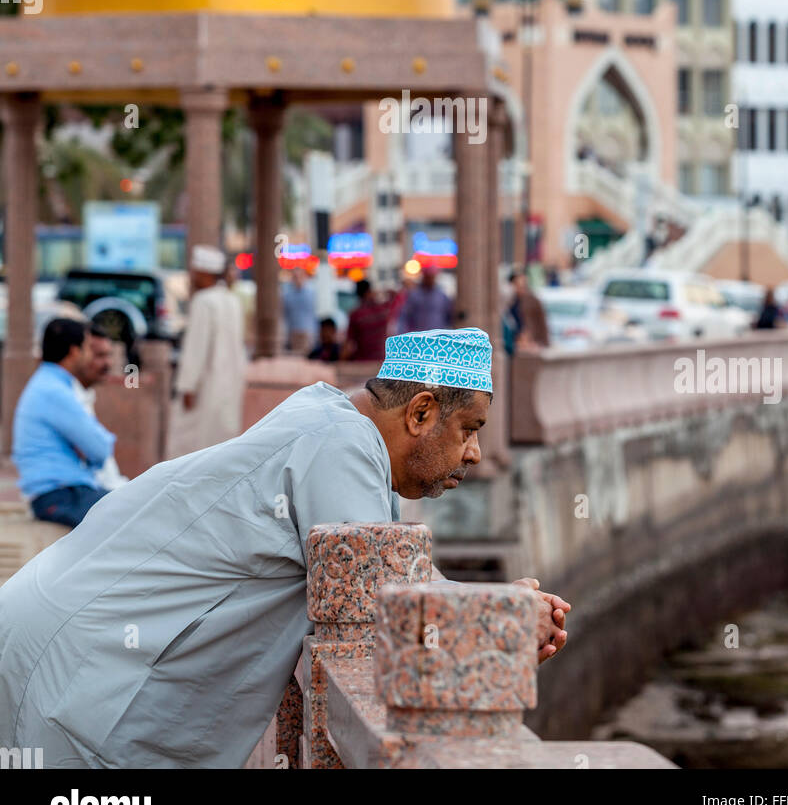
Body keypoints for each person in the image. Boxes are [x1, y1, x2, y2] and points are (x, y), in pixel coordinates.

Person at [0, 327, 570, 769]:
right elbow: (383, 601)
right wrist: (500, 620)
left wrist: (490, 602)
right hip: (77, 660)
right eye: (469, 428)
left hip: (60, 626)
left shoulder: (330, 420)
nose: (472, 453)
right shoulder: (340, 444)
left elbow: (378, 562)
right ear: (420, 412)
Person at [12, 319, 116, 528]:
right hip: (61, 495)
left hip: (65, 492)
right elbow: (100, 448)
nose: (89, 356)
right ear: (74, 352)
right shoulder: (54, 391)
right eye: (87, 348)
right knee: (136, 516)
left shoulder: (49, 384)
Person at [176, 244, 247, 447]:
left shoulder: (203, 301)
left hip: (206, 388)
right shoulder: (233, 300)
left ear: (204, 273)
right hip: (230, 386)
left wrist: (187, 386)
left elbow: (196, 350)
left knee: (194, 449)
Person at [70, 322, 128, 492]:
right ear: (77, 354)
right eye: (98, 356)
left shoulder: (84, 394)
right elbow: (98, 454)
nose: (107, 363)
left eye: (108, 355)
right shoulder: (66, 396)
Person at [342, 278, 392, 361]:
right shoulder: (383, 309)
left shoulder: (356, 315)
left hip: (363, 361)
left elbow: (349, 344)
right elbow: (395, 296)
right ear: (370, 291)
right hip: (382, 359)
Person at [395, 266, 453, 333]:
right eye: (428, 277)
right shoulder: (414, 295)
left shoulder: (441, 296)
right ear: (424, 277)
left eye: (432, 277)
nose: (430, 279)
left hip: (437, 336)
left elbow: (449, 316)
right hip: (418, 336)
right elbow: (404, 316)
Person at [508, 268, 550, 351]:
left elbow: (542, 324)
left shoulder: (533, 301)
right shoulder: (510, 300)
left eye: (523, 284)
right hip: (514, 342)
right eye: (517, 284)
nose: (521, 287)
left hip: (530, 342)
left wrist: (541, 342)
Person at [281, 268, 317, 353]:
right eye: (295, 277)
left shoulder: (311, 294)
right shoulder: (288, 295)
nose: (297, 279)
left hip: (307, 331)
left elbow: (313, 313)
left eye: (299, 276)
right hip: (293, 331)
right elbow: (285, 314)